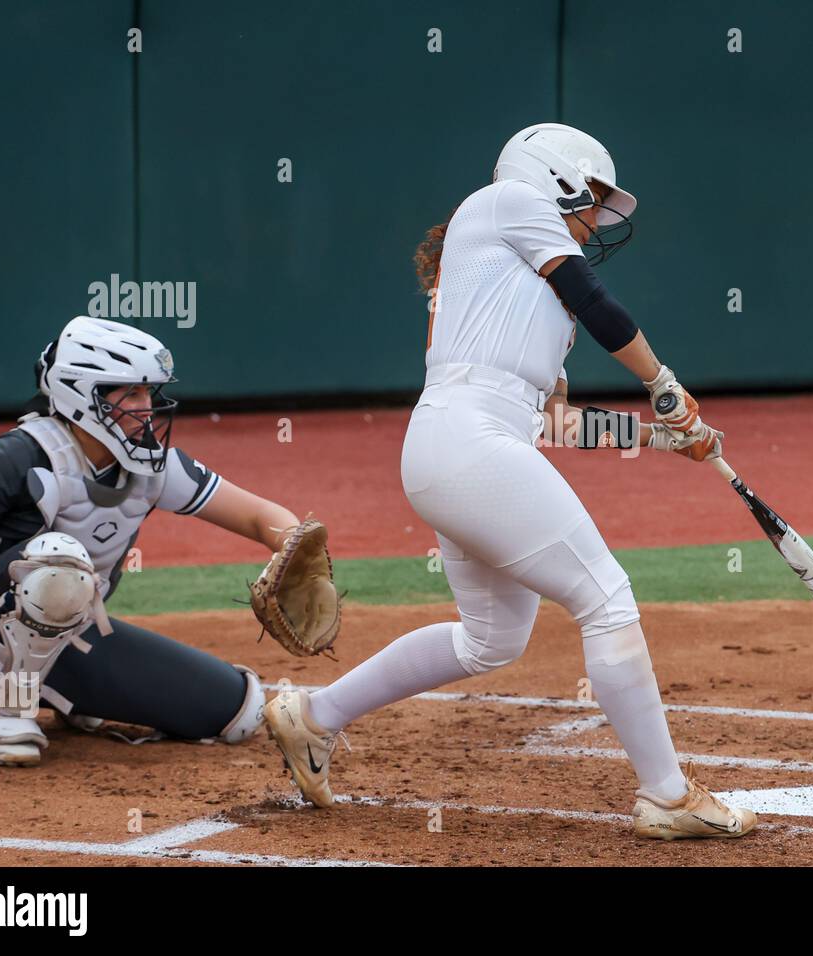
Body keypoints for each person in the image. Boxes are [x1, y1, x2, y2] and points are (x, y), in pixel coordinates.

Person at [264, 123, 756, 840]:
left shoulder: (528, 305)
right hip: (468, 442)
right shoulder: (507, 200)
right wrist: (663, 382)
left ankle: (313, 717)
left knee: (491, 640)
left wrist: (659, 438)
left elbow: (556, 424)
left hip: (459, 450)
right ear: (552, 177)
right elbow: (595, 299)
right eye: (590, 199)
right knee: (608, 598)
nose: (595, 221)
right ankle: (667, 796)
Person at [0, 316, 301, 765]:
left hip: (62, 636)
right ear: (80, 395)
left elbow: (260, 515)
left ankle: (61, 693)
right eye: (131, 393)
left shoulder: (153, 465)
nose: (147, 407)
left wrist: (294, 552)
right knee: (58, 558)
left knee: (236, 710)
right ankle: (5, 712)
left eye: (150, 392)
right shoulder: (16, 457)